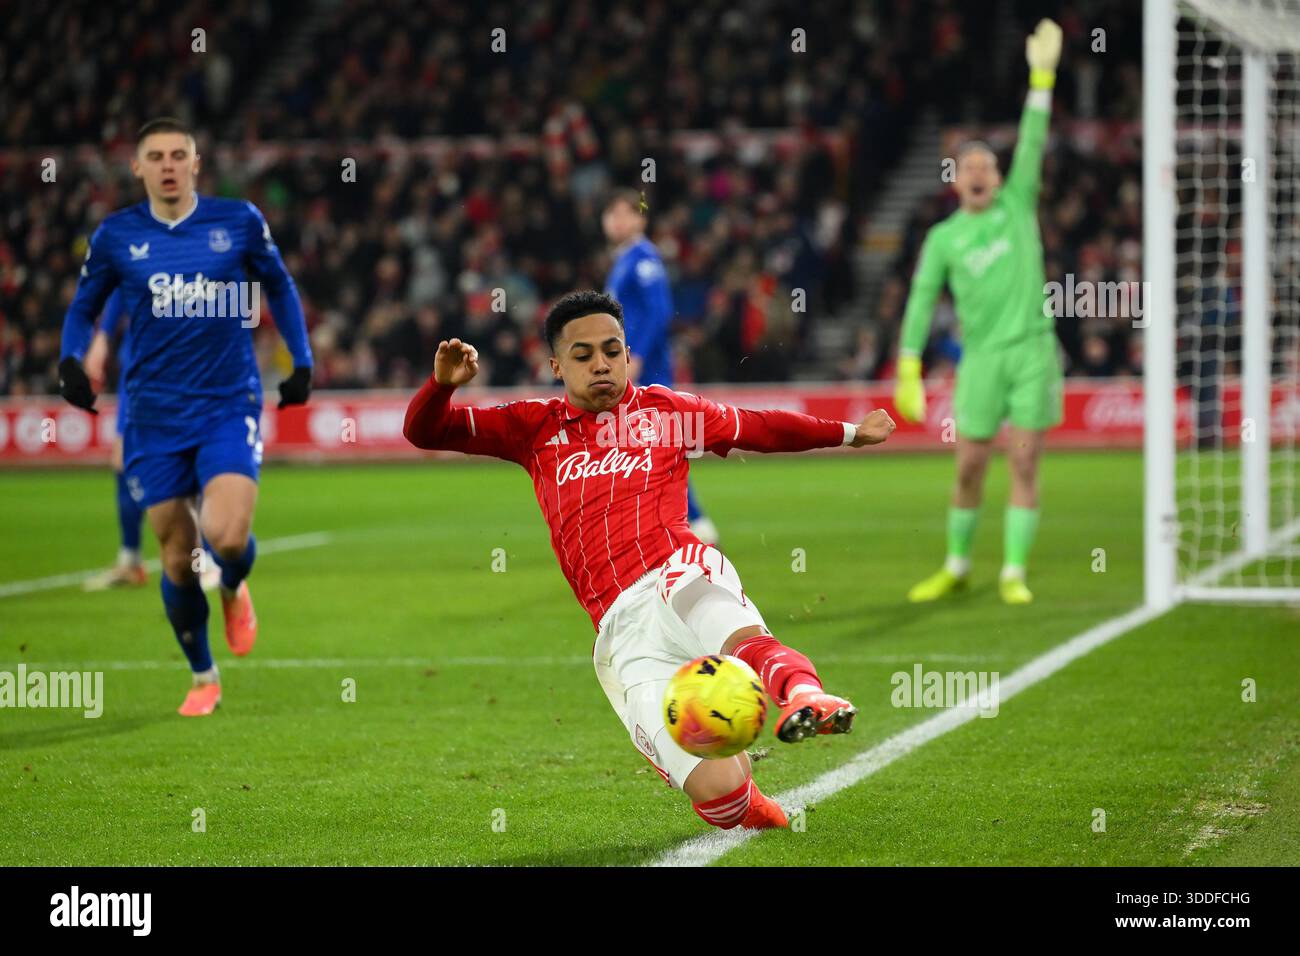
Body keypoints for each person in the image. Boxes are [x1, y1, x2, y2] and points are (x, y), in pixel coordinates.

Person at [403, 290, 896, 830]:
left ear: (628, 354)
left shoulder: (667, 413)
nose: (601, 365)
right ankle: (752, 803)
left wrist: (850, 433)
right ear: (555, 366)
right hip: (622, 630)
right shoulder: (532, 426)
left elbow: (760, 426)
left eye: (612, 351)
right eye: (583, 354)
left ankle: (805, 695)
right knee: (720, 800)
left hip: (676, 570)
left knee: (727, 625)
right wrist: (441, 387)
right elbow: (425, 431)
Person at [58, 117, 313, 715]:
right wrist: (70, 360)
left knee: (225, 536)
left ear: (196, 164)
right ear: (137, 167)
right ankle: (203, 675)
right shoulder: (116, 235)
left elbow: (280, 286)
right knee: (175, 553)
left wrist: (300, 360)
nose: (169, 165)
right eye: (157, 156)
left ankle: (231, 581)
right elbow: (84, 307)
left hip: (227, 402)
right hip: (152, 414)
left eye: (179, 154)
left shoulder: (239, 221)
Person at [894, 19, 1065, 605]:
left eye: (987, 166)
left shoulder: (1017, 203)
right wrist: (910, 362)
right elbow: (920, 298)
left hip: (1032, 352)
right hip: (982, 359)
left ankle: (1013, 572)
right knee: (968, 467)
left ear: (998, 177)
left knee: (1023, 462)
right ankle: (958, 565)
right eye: (967, 167)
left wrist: (1041, 80)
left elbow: (1035, 140)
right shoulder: (943, 238)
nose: (978, 173)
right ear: (956, 181)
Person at [603, 189, 719, 544]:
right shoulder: (625, 260)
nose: (617, 221)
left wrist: (634, 356)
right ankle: (679, 525)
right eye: (612, 214)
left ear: (641, 220)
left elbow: (660, 312)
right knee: (641, 447)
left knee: (654, 446)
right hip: (633, 369)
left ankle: (694, 523)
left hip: (646, 371)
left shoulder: (643, 259)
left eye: (625, 214)